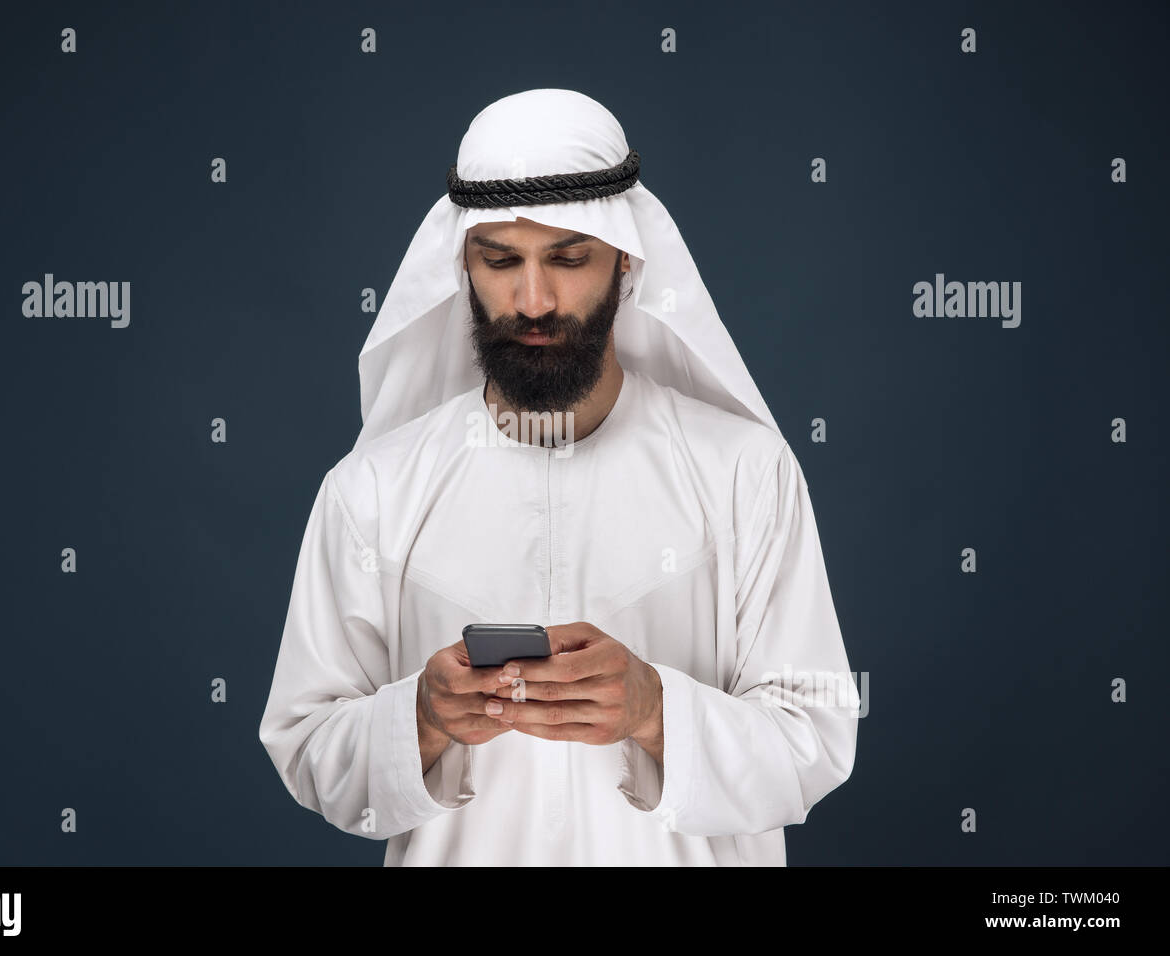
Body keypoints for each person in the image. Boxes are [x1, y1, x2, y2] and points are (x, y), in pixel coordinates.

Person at [258, 88, 859, 865]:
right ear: (462, 265)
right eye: (500, 260)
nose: (533, 300)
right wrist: (422, 717)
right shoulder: (372, 491)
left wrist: (654, 711)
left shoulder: (745, 474)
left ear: (626, 261)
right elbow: (307, 745)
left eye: (570, 259)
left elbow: (816, 740)